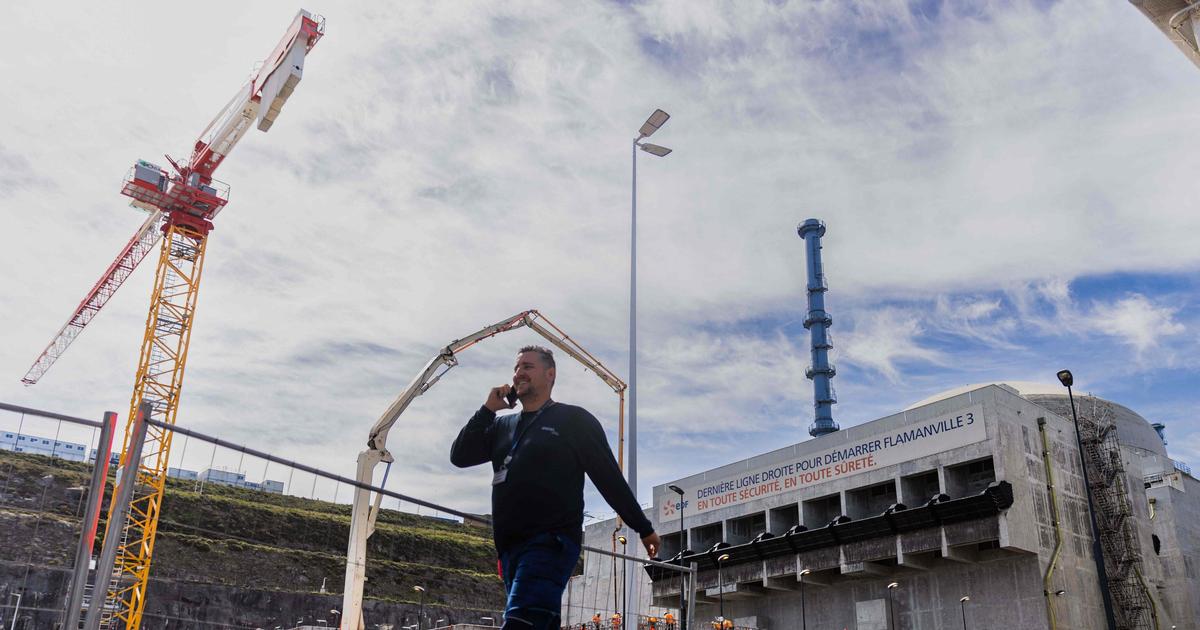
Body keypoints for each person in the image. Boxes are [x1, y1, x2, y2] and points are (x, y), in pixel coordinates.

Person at [451, 346, 660, 630]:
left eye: (527, 367)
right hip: (510, 547)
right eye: (516, 368)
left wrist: (642, 526)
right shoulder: (502, 426)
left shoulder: (574, 421)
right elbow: (460, 456)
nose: (518, 374)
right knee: (539, 620)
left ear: (550, 374)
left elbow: (607, 476)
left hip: (552, 541)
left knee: (522, 619)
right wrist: (487, 410)